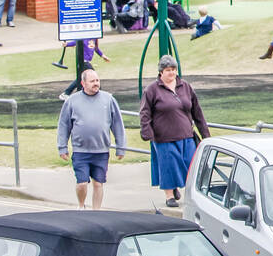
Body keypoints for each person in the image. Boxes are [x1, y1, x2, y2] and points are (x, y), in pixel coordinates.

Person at [139, 55, 209, 209]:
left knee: (189, 164)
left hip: (186, 134)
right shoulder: (152, 90)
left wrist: (205, 134)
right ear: (161, 72)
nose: (171, 73)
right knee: (168, 166)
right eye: (168, 70)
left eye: (173, 70)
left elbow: (197, 111)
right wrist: (147, 132)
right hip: (163, 136)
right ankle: (169, 195)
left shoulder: (185, 87)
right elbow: (145, 113)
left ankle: (185, 190)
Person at [58, 69, 126, 210]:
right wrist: (62, 147)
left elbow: (117, 124)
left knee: (98, 183)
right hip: (81, 150)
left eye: (97, 81)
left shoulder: (108, 99)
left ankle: (96, 212)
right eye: (92, 81)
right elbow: (64, 125)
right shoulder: (72, 101)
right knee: (82, 182)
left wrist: (121, 147)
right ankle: (81, 206)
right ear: (83, 83)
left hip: (101, 150)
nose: (96, 84)